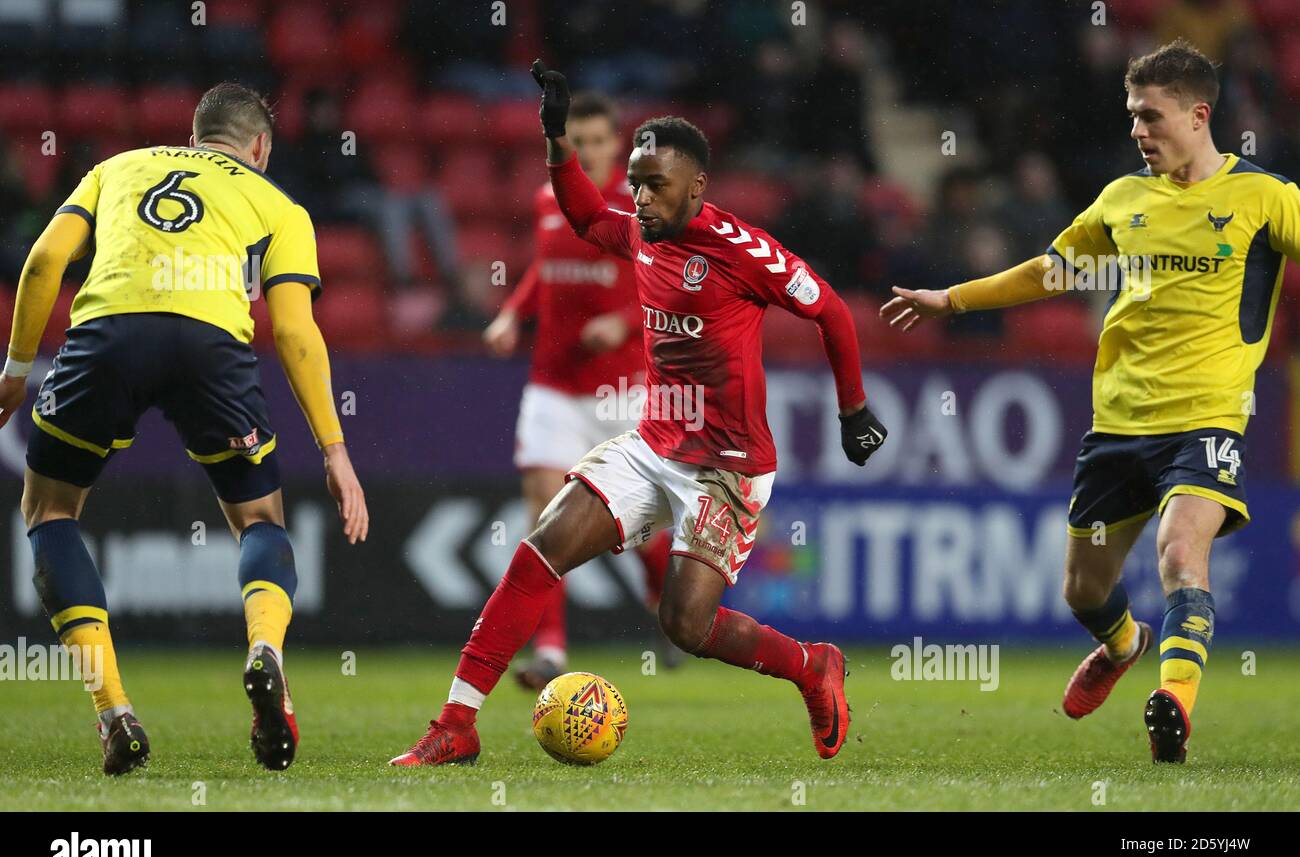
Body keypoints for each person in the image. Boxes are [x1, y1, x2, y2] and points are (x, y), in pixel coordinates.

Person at [389, 60, 888, 767]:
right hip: (652, 443)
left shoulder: (744, 252)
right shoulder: (636, 230)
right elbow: (587, 212)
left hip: (727, 467)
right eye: (637, 183)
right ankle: (456, 725)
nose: (642, 199)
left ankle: (810, 665)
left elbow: (831, 309)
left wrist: (853, 409)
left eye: (657, 186)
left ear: (698, 187)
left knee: (685, 625)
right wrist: (557, 142)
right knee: (538, 553)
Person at [883, 40, 1300, 764]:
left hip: (1207, 419)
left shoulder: (1265, 199)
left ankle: (1173, 705)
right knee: (1082, 592)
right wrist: (951, 298)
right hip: (1118, 426)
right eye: (1132, 117)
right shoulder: (1122, 201)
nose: (1138, 131)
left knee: (1179, 552)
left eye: (1151, 116)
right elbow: (1054, 270)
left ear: (1199, 115)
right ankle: (1124, 643)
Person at [0, 82, 369, 776]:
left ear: (193, 134)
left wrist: (18, 368)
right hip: (211, 348)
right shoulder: (278, 205)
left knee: (49, 509)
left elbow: (44, 261)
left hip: (107, 337)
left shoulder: (116, 169)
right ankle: (266, 654)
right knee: (260, 518)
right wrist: (335, 448)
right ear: (259, 145)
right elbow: (293, 329)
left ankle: (115, 714)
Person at [482, 91, 672, 689]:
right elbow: (546, 268)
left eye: (596, 142)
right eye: (576, 142)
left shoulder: (637, 207)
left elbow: (668, 285)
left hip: (621, 390)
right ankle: (552, 653)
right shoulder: (549, 199)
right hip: (553, 385)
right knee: (545, 514)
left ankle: (664, 603)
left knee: (638, 528)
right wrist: (513, 311)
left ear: (617, 145)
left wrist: (623, 320)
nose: (586, 152)